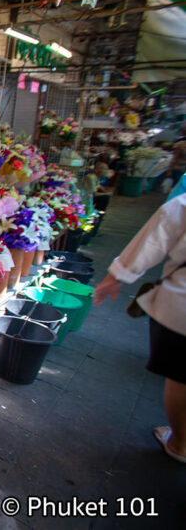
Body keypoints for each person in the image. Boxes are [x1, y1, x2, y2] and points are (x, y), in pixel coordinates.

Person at [93, 194, 186, 463]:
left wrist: (117, 276)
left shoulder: (182, 205)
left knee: (181, 378)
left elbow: (158, 235)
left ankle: (180, 443)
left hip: (181, 307)